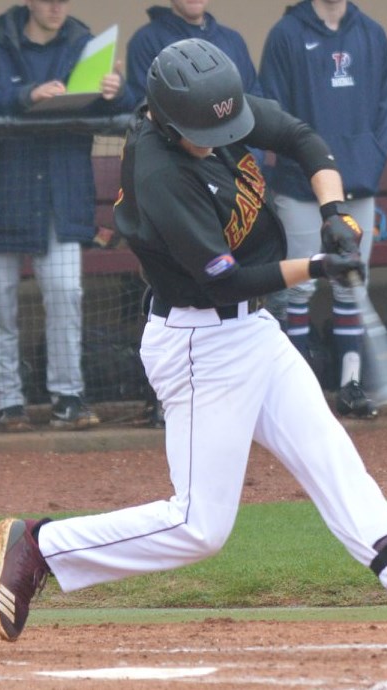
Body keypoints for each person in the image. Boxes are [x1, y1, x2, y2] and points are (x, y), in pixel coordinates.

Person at [0, 38, 387, 661]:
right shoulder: (159, 171)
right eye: (206, 129)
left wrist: (335, 214)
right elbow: (220, 277)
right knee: (199, 527)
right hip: (198, 343)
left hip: (252, 332)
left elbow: (305, 139)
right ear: (169, 119)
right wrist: (315, 265)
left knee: (334, 460)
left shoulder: (211, 110)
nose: (221, 136)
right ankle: (42, 544)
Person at [0, 0, 134, 432]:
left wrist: (118, 91)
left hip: (59, 195)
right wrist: (26, 96)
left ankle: (68, 396)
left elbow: (118, 109)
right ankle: (7, 401)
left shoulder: (83, 44)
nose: (57, 6)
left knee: (65, 294)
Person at [126, 0, 261, 429]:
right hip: (178, 186)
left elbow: (250, 115)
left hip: (227, 181)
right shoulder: (148, 41)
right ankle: (165, 397)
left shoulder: (230, 41)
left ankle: (242, 390)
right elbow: (147, 120)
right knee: (186, 277)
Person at [258, 0, 387, 420]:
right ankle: (302, 392)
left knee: (351, 283)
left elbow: (385, 109)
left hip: (356, 183)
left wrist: (368, 161)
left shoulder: (372, 33)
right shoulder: (286, 34)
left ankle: (351, 384)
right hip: (301, 188)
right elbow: (274, 112)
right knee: (299, 287)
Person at [126, 0, 260, 103]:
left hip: (236, 137)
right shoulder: (146, 40)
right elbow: (140, 105)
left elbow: (255, 98)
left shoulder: (233, 40)